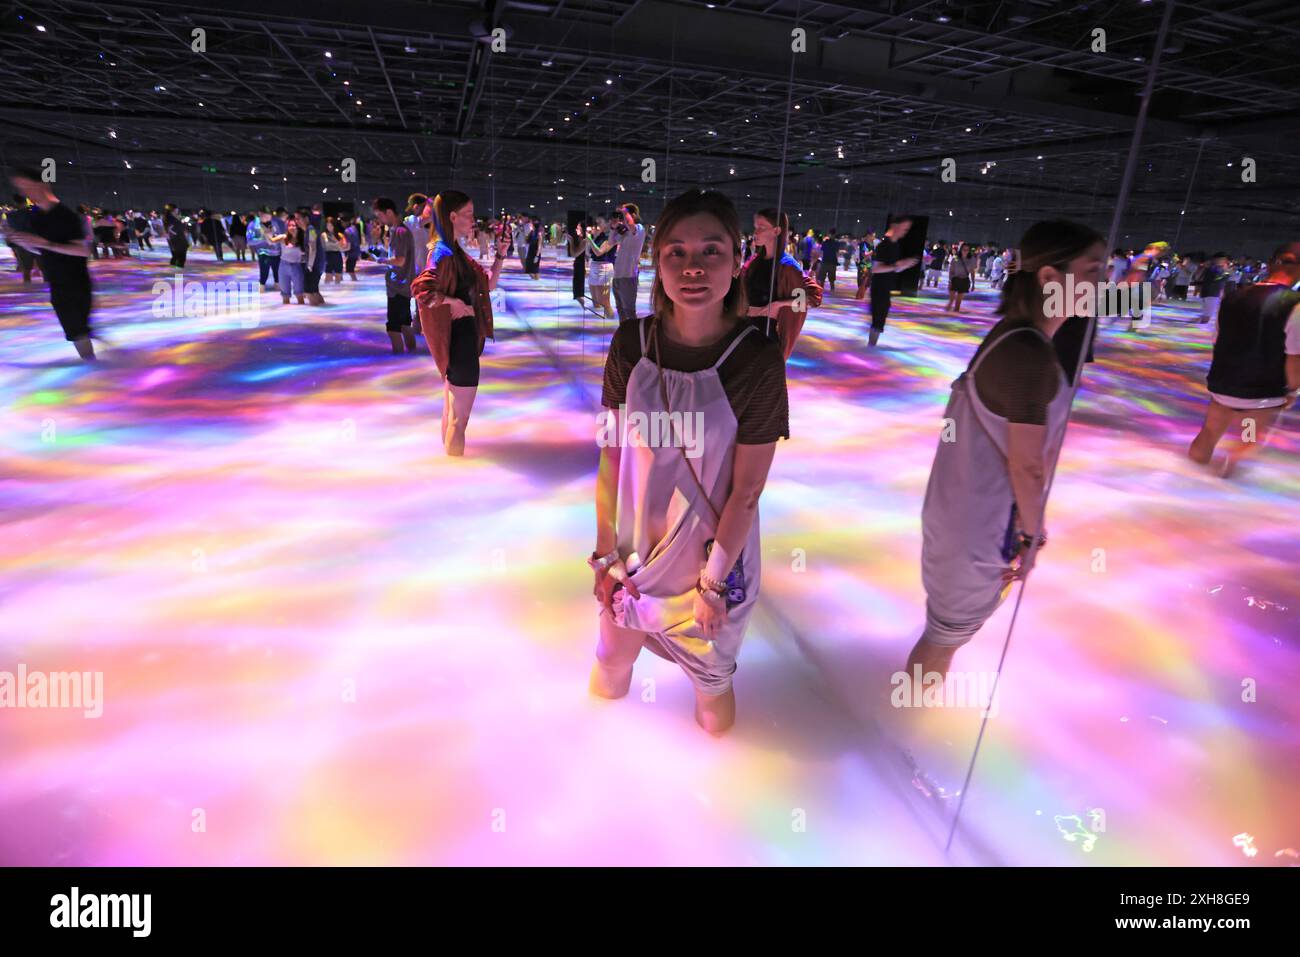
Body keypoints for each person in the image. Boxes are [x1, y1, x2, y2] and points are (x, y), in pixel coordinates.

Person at [589, 188, 788, 735]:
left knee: (711, 686)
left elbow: (747, 490)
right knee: (610, 662)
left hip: (709, 564)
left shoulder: (757, 359)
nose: (692, 268)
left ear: (736, 258)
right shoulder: (631, 342)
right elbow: (610, 454)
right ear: (656, 260)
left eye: (710, 251)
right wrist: (605, 552)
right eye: (676, 252)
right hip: (633, 558)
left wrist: (714, 584)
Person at [906, 219, 1105, 678]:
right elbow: (1027, 466)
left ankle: (907, 713)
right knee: (945, 638)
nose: (1104, 285)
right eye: (1093, 272)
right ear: (1050, 278)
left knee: (947, 632)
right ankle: (904, 719)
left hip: (961, 517)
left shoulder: (1014, 336)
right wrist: (1034, 538)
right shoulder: (1029, 354)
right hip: (977, 529)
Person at [1187, 243, 1300, 477]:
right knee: (1247, 440)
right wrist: (1292, 391)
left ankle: (1186, 479)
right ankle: (1223, 486)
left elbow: (1217, 342)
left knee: (1208, 434)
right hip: (1260, 396)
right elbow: (1294, 358)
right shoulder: (1294, 305)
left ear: (1271, 263)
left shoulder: (1233, 298)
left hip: (1224, 388)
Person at [411, 191, 508, 456]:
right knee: (458, 420)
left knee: (451, 414)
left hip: (461, 341)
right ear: (452, 217)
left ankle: (448, 472)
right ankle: (455, 468)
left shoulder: (455, 252)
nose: (473, 219)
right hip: (461, 344)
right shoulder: (442, 251)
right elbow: (423, 289)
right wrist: (453, 303)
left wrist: (500, 256)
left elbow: (487, 285)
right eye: (468, 214)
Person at [6, 168, 96, 360]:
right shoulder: (38, 217)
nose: (25, 193)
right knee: (76, 329)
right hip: (57, 281)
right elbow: (44, 250)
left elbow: (83, 250)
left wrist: (44, 243)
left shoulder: (65, 215)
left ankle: (95, 368)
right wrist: (25, 242)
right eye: (21, 188)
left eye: (27, 186)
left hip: (75, 282)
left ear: (43, 185)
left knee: (76, 330)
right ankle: (93, 364)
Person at [740, 207, 822, 360]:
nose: (755, 232)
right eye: (755, 227)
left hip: (768, 335)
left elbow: (811, 297)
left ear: (777, 231)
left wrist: (778, 305)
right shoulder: (754, 262)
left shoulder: (787, 266)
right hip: (746, 331)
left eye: (761, 227)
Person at [371, 198, 418, 354]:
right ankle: (412, 357)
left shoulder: (400, 232)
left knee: (393, 328)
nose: (379, 219)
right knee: (405, 324)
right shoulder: (399, 231)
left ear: (389, 212)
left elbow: (400, 260)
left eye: (380, 215)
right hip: (403, 285)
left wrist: (381, 260)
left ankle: (399, 356)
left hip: (398, 286)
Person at [592, 203, 647, 322]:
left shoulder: (639, 228)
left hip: (628, 275)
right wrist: (613, 228)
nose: (622, 217)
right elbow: (611, 241)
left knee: (629, 310)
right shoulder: (625, 231)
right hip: (617, 276)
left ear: (632, 215)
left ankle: (633, 337)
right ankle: (624, 333)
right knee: (620, 308)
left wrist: (624, 211)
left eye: (624, 214)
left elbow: (631, 225)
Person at [868, 217, 918, 347]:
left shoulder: (895, 245)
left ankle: (872, 347)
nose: (905, 231)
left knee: (880, 319)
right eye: (904, 228)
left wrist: (906, 265)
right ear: (895, 226)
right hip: (879, 288)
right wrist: (897, 265)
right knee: (878, 319)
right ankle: (870, 348)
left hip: (886, 288)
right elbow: (876, 269)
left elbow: (893, 268)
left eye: (907, 229)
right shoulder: (884, 245)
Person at [587, 215, 617, 319]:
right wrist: (590, 239)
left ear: (607, 223)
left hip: (604, 268)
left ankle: (612, 324)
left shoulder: (611, 237)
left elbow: (599, 252)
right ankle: (601, 326)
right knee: (595, 301)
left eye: (599, 223)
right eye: (595, 223)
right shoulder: (598, 237)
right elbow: (589, 253)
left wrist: (590, 239)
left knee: (605, 302)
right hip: (594, 266)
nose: (596, 226)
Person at [4, 194, 40, 282]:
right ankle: (49, 290)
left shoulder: (12, 216)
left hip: (22, 244)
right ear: (25, 201)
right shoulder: (34, 211)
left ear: (15, 203)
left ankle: (28, 288)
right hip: (38, 242)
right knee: (44, 268)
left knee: (26, 270)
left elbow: (10, 228)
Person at [270, 219, 306, 305]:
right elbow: (271, 240)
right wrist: (268, 231)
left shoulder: (302, 239)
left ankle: (301, 315)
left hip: (297, 266)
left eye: (294, 225)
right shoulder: (283, 237)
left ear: (298, 227)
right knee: (285, 295)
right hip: (283, 266)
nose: (291, 227)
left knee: (299, 294)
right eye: (289, 225)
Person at [247, 212, 280, 291]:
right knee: (264, 271)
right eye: (263, 215)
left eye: (268, 215)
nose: (266, 217)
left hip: (276, 253)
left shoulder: (274, 223)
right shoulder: (254, 224)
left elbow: (278, 236)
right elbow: (250, 240)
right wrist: (263, 240)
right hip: (263, 253)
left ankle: (277, 285)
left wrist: (275, 240)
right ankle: (262, 286)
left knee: (277, 272)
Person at [946, 242, 977, 313]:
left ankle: (954, 318)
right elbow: (951, 271)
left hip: (964, 281)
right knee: (951, 301)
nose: (965, 251)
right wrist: (950, 281)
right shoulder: (956, 258)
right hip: (955, 280)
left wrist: (973, 284)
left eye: (967, 250)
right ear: (960, 250)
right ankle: (943, 317)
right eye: (964, 249)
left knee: (958, 303)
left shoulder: (972, 259)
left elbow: (972, 272)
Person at [163, 203, 189, 269]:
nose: (177, 211)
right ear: (173, 211)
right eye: (176, 210)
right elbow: (175, 230)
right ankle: (178, 276)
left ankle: (176, 273)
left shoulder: (172, 219)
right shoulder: (172, 220)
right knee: (180, 259)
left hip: (177, 240)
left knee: (177, 257)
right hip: (178, 240)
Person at [567, 219, 587, 302]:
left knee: (579, 292)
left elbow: (574, 254)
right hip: (578, 265)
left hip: (581, 266)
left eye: (578, 228)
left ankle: (585, 308)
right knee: (577, 292)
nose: (576, 229)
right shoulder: (580, 239)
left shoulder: (585, 240)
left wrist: (571, 242)